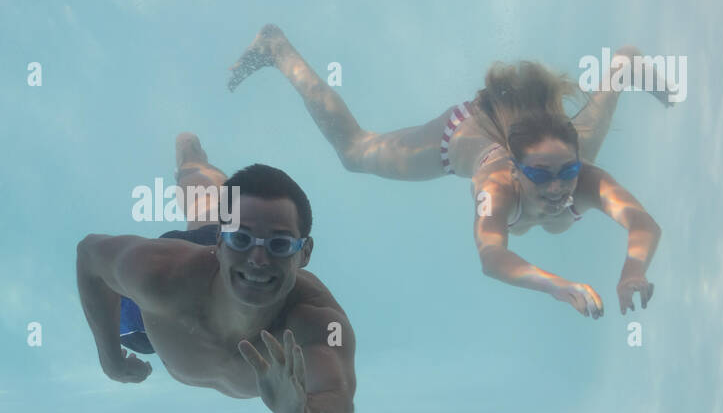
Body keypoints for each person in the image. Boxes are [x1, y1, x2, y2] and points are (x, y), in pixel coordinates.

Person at [227, 25, 661, 318]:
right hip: (466, 135)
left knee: (597, 115)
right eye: (541, 175)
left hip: (549, 137)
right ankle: (276, 48)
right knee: (354, 151)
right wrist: (554, 285)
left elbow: (642, 223)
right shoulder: (496, 188)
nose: (558, 187)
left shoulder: (581, 171)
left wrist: (633, 271)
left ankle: (624, 63)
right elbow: (493, 257)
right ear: (516, 168)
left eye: (567, 172)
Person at [77, 135, 356, 413]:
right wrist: (110, 358)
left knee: (222, 214)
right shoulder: (158, 276)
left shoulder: (316, 324)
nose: (258, 261)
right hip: (174, 300)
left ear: (304, 253)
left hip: (210, 276)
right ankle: (190, 157)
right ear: (220, 242)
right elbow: (89, 255)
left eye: (279, 244)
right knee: (205, 207)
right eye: (241, 240)